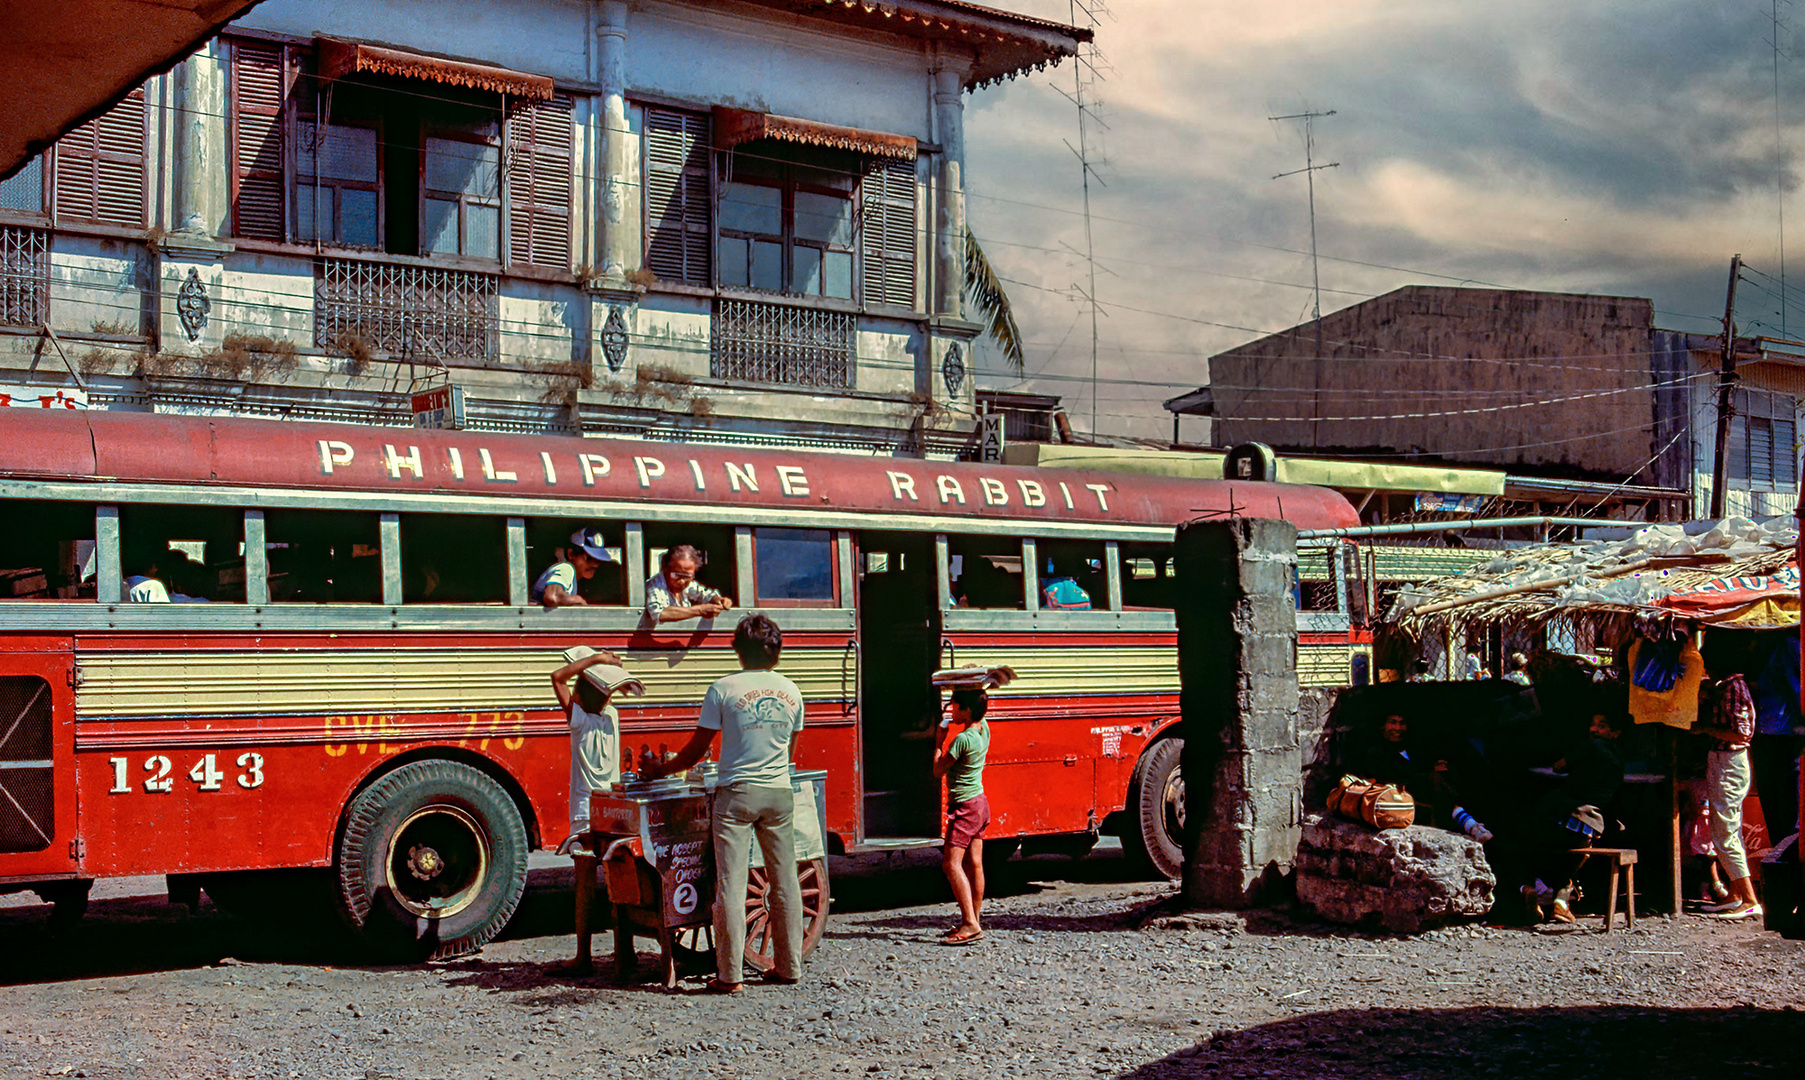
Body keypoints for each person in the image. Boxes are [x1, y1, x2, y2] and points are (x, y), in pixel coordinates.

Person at [645, 614, 803, 993]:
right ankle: (790, 966)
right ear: (777, 653)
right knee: (784, 882)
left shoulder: (722, 689)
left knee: (731, 883)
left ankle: (730, 976)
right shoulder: (792, 691)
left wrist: (661, 769)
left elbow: (697, 750)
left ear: (737, 650)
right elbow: (790, 751)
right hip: (779, 793)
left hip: (736, 794)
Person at [1693, 673, 1762, 919]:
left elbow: (1741, 734)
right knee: (1726, 831)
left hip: (1729, 761)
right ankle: (1736, 894)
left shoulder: (1733, 687)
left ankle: (1750, 898)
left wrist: (1705, 729)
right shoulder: (1725, 686)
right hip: (1724, 760)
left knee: (1726, 832)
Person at [548, 644, 631, 847]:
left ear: (579, 699)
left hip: (584, 812)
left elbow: (557, 678)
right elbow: (608, 695)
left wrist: (595, 660)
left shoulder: (580, 724)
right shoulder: (612, 718)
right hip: (612, 808)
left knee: (585, 869)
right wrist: (612, 669)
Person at [934, 686, 992, 945]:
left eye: (955, 705)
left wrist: (938, 741)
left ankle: (970, 924)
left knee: (951, 864)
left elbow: (938, 770)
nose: (951, 709)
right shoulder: (984, 728)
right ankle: (974, 919)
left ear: (967, 710)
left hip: (965, 807)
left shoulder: (961, 740)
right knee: (974, 863)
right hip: (980, 803)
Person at [644, 544, 732, 624]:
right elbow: (661, 613)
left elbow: (705, 595)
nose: (682, 581)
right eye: (676, 575)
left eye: (687, 576)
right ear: (665, 569)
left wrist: (718, 600)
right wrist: (700, 610)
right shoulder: (654, 586)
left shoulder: (689, 585)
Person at [533, 527, 615, 609]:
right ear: (571, 554)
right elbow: (553, 596)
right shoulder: (566, 568)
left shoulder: (572, 578)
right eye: (589, 559)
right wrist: (579, 600)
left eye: (598, 560)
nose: (595, 565)